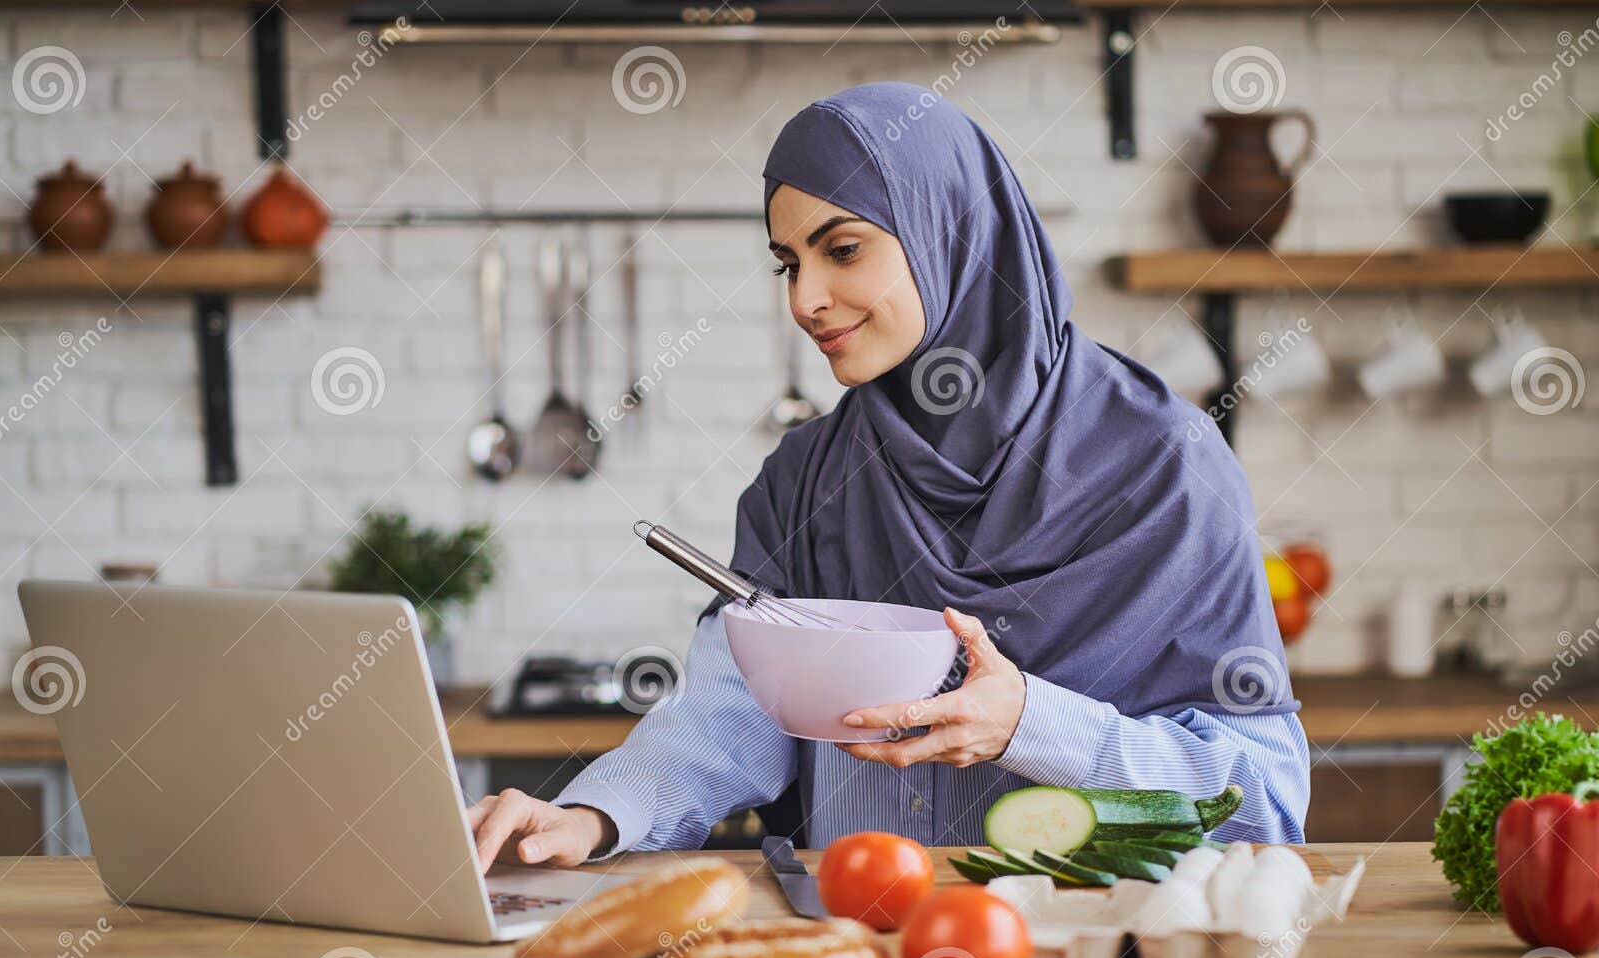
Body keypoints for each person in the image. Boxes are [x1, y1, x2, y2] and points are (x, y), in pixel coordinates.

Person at [468, 82, 1309, 872]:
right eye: (788, 262)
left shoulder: (1165, 467)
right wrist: (594, 816)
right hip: (851, 954)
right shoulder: (804, 478)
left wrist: (1029, 722)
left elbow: (1264, 802)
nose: (805, 299)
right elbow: (727, 718)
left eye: (842, 249)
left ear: (952, 232)